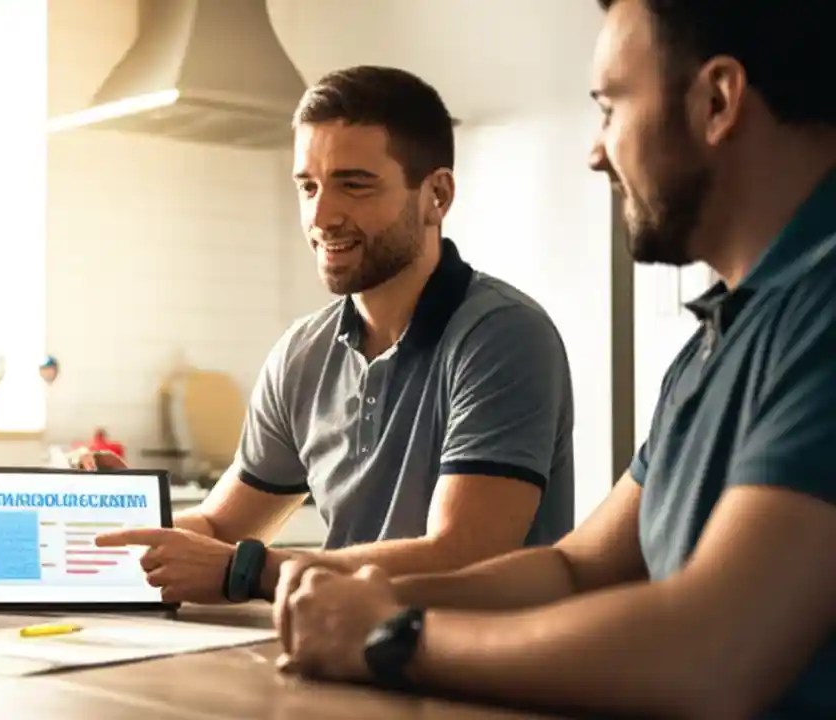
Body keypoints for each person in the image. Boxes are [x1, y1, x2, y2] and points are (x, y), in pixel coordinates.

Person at [273, 1, 836, 717]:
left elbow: (712, 650)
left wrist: (392, 635)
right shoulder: (716, 342)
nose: (596, 152)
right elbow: (576, 570)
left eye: (610, 108)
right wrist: (367, 596)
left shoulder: (822, 314)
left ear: (718, 101)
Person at [82, 66, 576, 604]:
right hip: (345, 650)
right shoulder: (302, 354)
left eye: (354, 185)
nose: (321, 215)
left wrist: (252, 570)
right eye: (308, 186)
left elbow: (461, 556)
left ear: (437, 195)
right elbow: (221, 530)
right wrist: (122, 527)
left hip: (482, 673)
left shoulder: (503, 337)